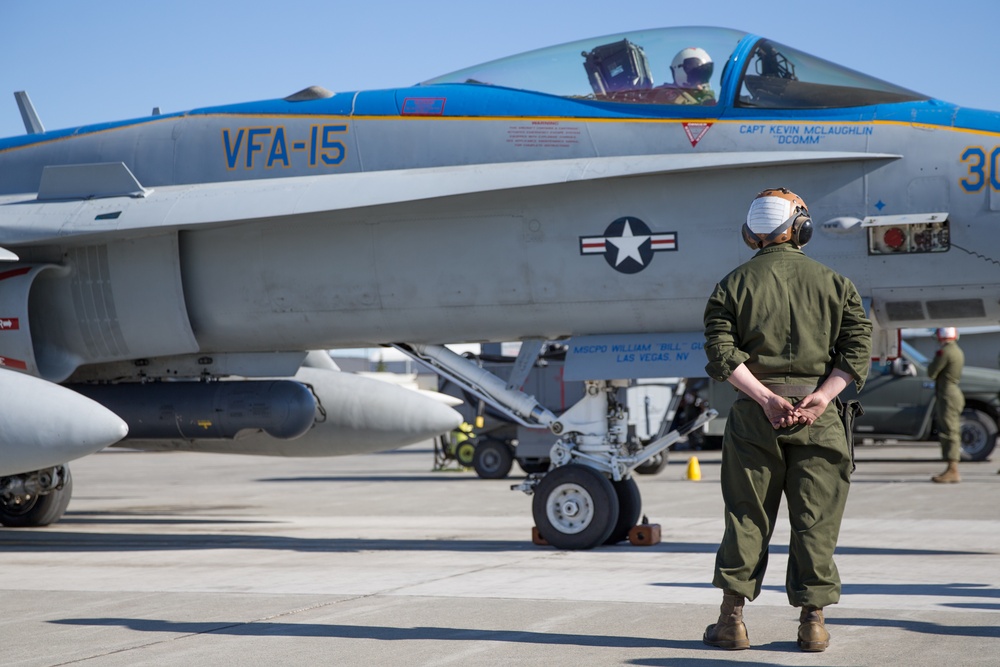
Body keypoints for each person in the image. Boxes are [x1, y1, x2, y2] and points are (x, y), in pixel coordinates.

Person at [701, 187, 872, 652]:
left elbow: (720, 352)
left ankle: (731, 622)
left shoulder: (731, 285)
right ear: (801, 228)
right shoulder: (837, 284)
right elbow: (857, 348)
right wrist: (821, 398)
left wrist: (763, 397)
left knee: (747, 516)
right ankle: (812, 623)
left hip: (756, 418)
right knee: (815, 519)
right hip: (821, 419)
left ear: (752, 234)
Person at [928, 327, 965, 483]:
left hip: (947, 395)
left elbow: (931, 372)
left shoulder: (944, 352)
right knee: (952, 430)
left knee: (949, 431)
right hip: (953, 393)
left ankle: (952, 469)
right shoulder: (957, 350)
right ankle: (952, 468)